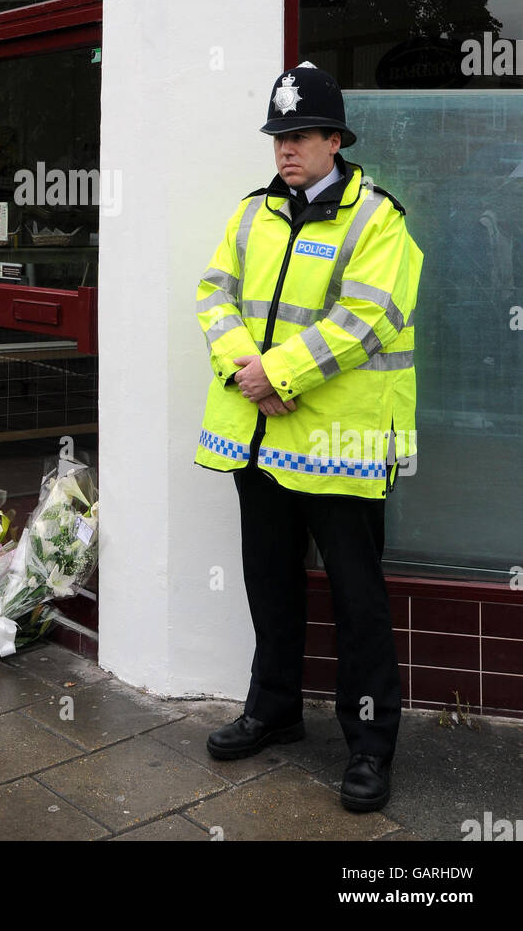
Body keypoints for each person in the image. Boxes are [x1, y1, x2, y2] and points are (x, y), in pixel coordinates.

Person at [194, 63, 423, 813]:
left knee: (358, 601)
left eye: (298, 137)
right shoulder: (249, 213)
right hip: (258, 443)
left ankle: (369, 747)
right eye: (276, 138)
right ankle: (274, 709)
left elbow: (367, 319)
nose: (284, 151)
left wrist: (278, 375)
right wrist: (244, 370)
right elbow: (213, 295)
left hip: (343, 445)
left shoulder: (376, 219)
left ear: (334, 139)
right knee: (270, 583)